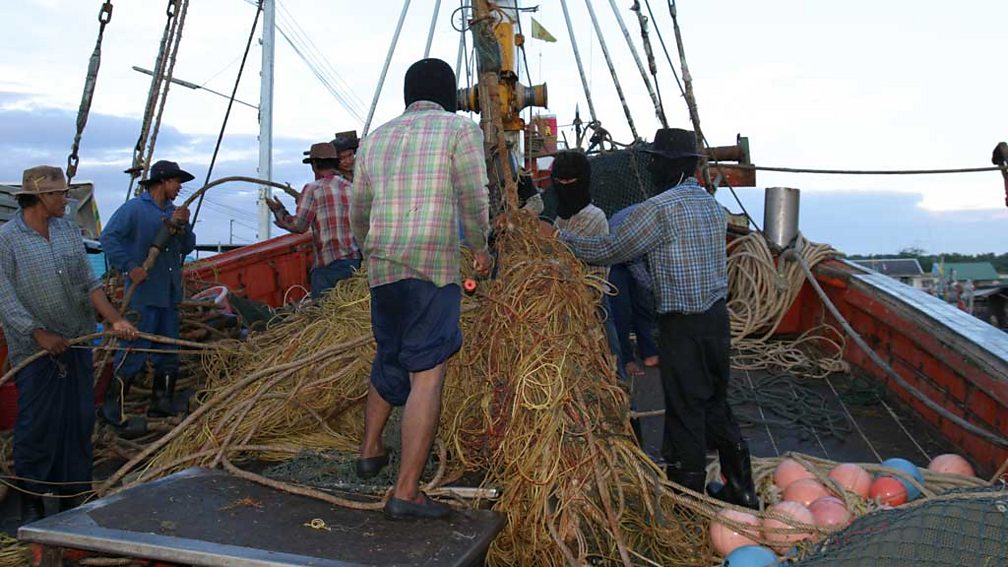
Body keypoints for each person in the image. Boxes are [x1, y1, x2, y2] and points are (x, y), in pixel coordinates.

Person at [542, 128, 758, 508]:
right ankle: (741, 487)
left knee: (685, 409)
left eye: (655, 161)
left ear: (664, 165)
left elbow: (610, 249)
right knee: (715, 403)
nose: (652, 168)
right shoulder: (710, 205)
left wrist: (560, 239)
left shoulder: (659, 209)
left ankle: (687, 502)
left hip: (683, 327)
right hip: (716, 324)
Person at [350, 58, 491, 520]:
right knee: (426, 372)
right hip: (432, 264)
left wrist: (368, 250)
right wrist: (479, 248)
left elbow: (360, 208)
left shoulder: (375, 138)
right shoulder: (459, 130)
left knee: (389, 355)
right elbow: (473, 194)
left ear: (407, 94)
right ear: (449, 93)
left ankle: (370, 450)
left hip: (383, 266)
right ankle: (406, 492)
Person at [0, 166, 138, 523]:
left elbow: (88, 284)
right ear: (41, 198)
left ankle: (72, 491)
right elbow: (5, 298)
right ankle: (30, 494)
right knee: (37, 422)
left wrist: (114, 319)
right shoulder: (7, 239)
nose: (66, 199)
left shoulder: (67, 230)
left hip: (76, 339)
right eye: (61, 194)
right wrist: (38, 333)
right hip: (34, 349)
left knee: (77, 418)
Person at [100, 160, 197, 436]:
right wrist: (130, 266)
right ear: (163, 182)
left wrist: (184, 225)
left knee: (169, 353)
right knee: (133, 352)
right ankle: (112, 410)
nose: (179, 187)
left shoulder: (173, 212)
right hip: (143, 296)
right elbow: (108, 239)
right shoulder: (134, 210)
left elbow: (187, 246)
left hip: (168, 295)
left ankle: (161, 404)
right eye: (176, 181)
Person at [550, 150, 626, 383]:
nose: (564, 187)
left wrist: (552, 238)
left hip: (594, 305)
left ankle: (629, 412)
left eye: (570, 182)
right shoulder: (561, 217)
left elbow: (572, 257)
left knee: (609, 362)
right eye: (559, 182)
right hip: (564, 304)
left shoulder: (595, 217)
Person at [266, 142, 362, 299]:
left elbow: (299, 226)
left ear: (315, 165)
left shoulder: (313, 189)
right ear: (335, 162)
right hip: (354, 264)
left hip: (327, 267)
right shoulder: (352, 188)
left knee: (324, 316)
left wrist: (279, 211)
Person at [607, 204, 659, 378]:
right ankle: (625, 359)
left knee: (642, 304)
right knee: (621, 309)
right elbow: (636, 264)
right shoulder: (646, 224)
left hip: (633, 252)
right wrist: (655, 290)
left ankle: (649, 352)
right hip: (613, 253)